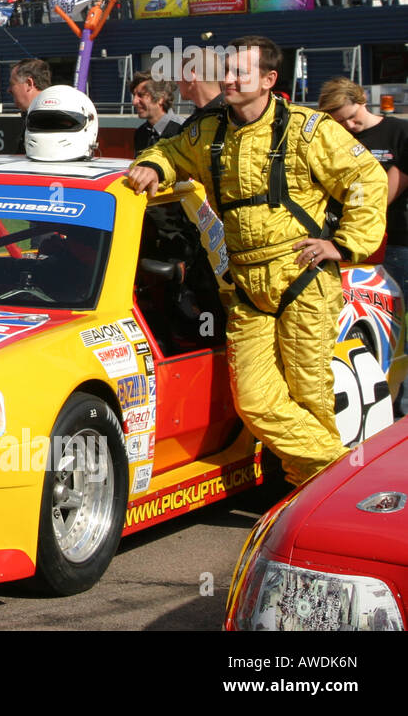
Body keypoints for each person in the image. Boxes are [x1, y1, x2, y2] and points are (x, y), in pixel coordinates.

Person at [127, 36, 387, 485]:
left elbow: (367, 178)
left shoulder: (309, 128)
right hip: (245, 285)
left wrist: (343, 245)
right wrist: (153, 164)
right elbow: (169, 152)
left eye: (239, 73)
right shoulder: (208, 129)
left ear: (269, 80)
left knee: (311, 397)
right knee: (254, 401)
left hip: (304, 279)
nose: (227, 79)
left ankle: (306, 503)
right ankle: (347, 479)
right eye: (227, 70)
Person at [318, 76, 408, 301]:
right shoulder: (334, 141)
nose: (349, 126)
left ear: (363, 100)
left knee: (395, 307)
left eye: (351, 117)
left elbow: (383, 195)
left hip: (393, 238)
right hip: (340, 238)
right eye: (339, 122)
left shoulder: (399, 133)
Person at [131, 73, 184, 153]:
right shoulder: (141, 133)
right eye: (134, 95)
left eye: (141, 95)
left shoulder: (183, 130)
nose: (134, 102)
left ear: (161, 98)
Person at [8, 58, 49, 153]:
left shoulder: (50, 121)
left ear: (29, 84)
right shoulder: (31, 117)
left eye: (12, 84)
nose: (9, 90)